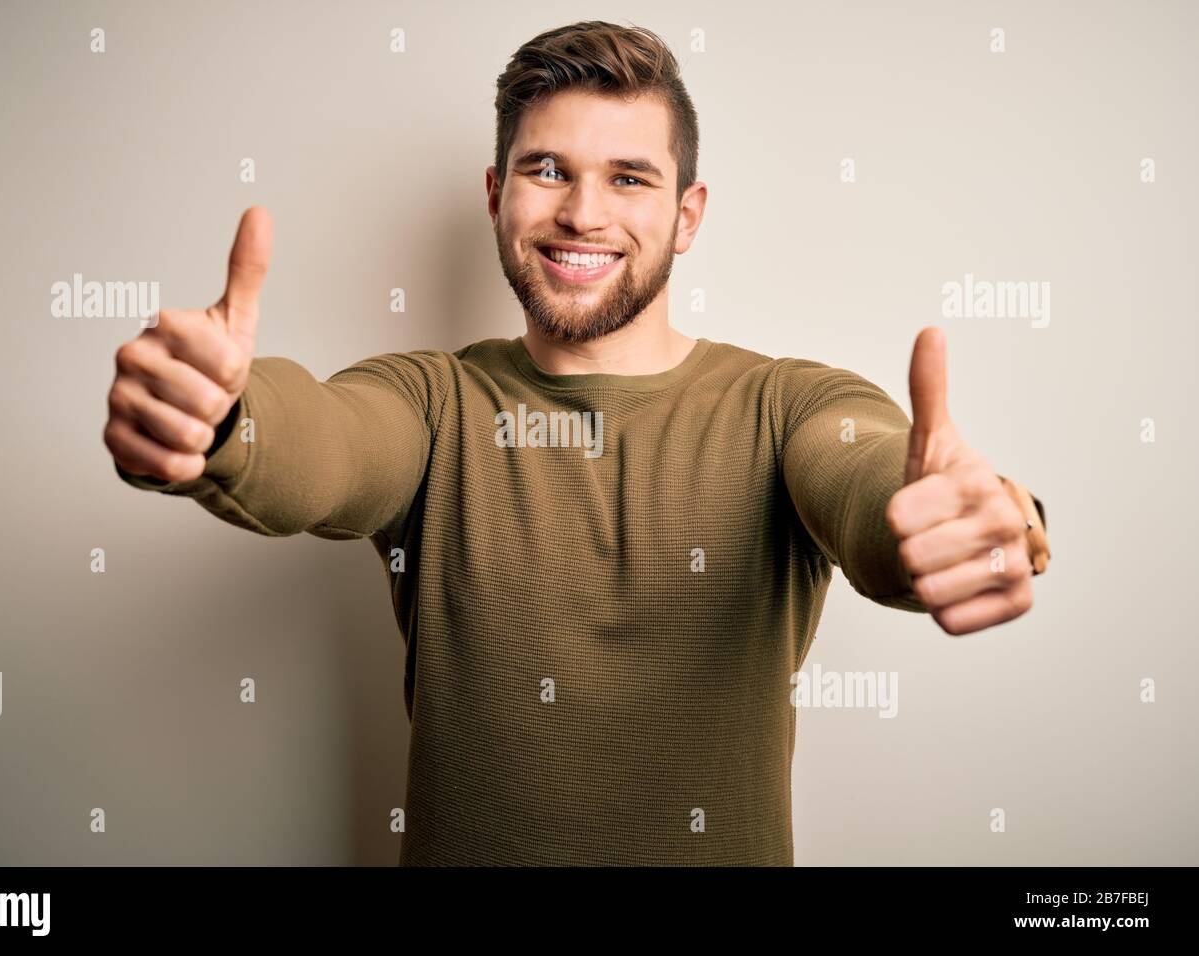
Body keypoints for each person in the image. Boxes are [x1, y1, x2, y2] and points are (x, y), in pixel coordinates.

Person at [104, 21, 1050, 865]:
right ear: (496, 194)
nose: (583, 215)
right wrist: (223, 419)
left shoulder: (786, 404)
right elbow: (325, 442)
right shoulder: (433, 402)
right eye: (546, 169)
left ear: (687, 213)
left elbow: (869, 476)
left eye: (629, 178)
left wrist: (977, 518)